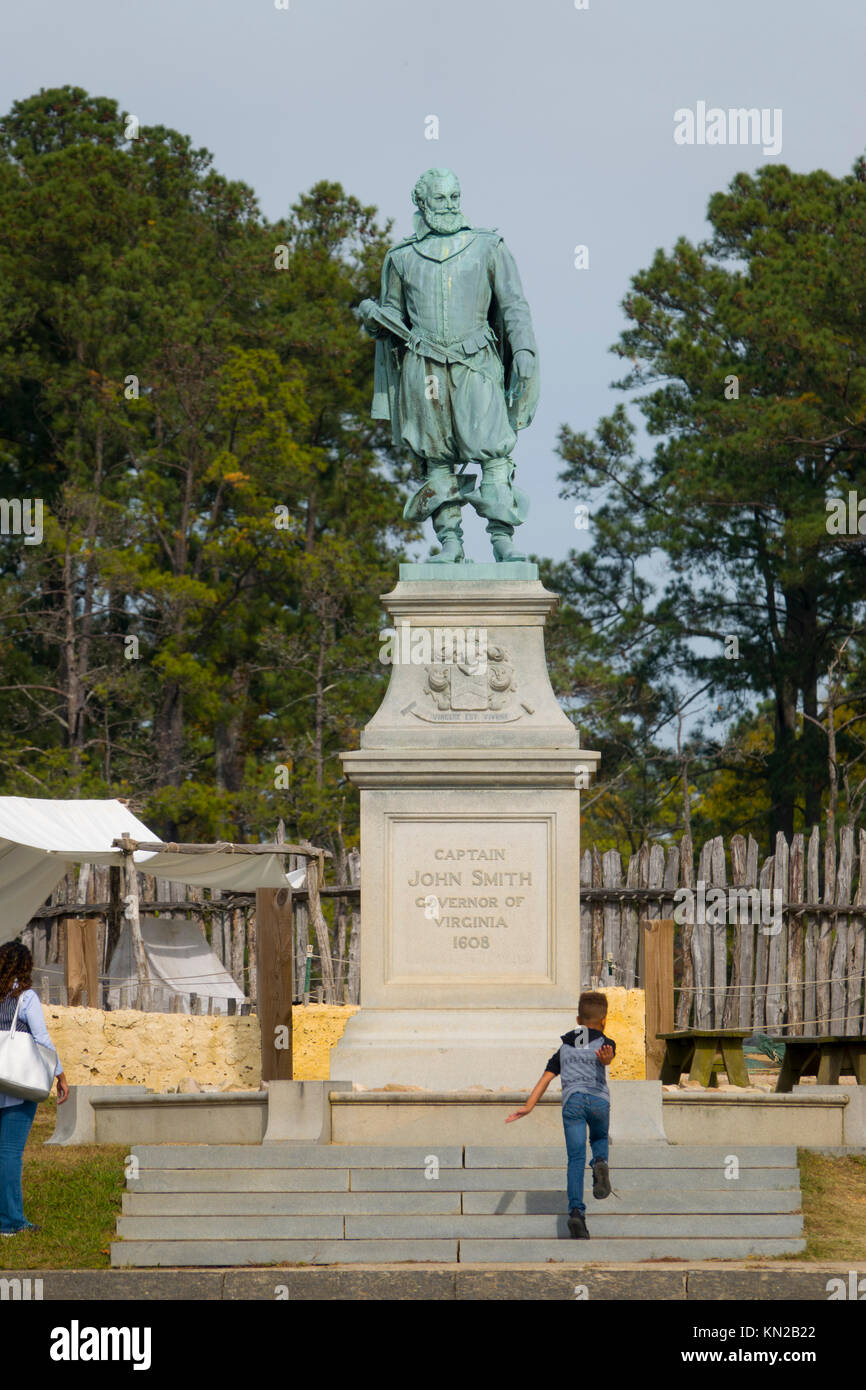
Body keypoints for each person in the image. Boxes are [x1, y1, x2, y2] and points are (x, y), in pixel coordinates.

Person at [357, 167, 540, 564]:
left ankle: (501, 539)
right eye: (441, 198)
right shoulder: (401, 257)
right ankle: (451, 543)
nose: (451, 205)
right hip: (423, 369)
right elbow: (393, 313)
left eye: (455, 197)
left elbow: (513, 305)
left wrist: (524, 349)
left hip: (476, 362)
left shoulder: (488, 246)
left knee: (493, 450)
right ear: (422, 203)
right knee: (435, 454)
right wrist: (374, 318)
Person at [506, 990, 615, 1239]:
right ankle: (600, 1162)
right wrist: (606, 1060)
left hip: (573, 1103)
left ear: (578, 1020)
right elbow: (607, 1058)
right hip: (599, 1101)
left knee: (575, 1160)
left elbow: (546, 1078)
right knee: (599, 1137)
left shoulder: (564, 1047)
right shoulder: (606, 1042)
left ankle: (576, 1212)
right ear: (604, 1021)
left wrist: (528, 1106)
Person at [0, 940, 68, 1235]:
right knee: (10, 1154)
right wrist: (60, 1074)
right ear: (25, 967)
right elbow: (42, 1040)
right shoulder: (25, 998)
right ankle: (11, 1221)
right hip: (19, 1085)